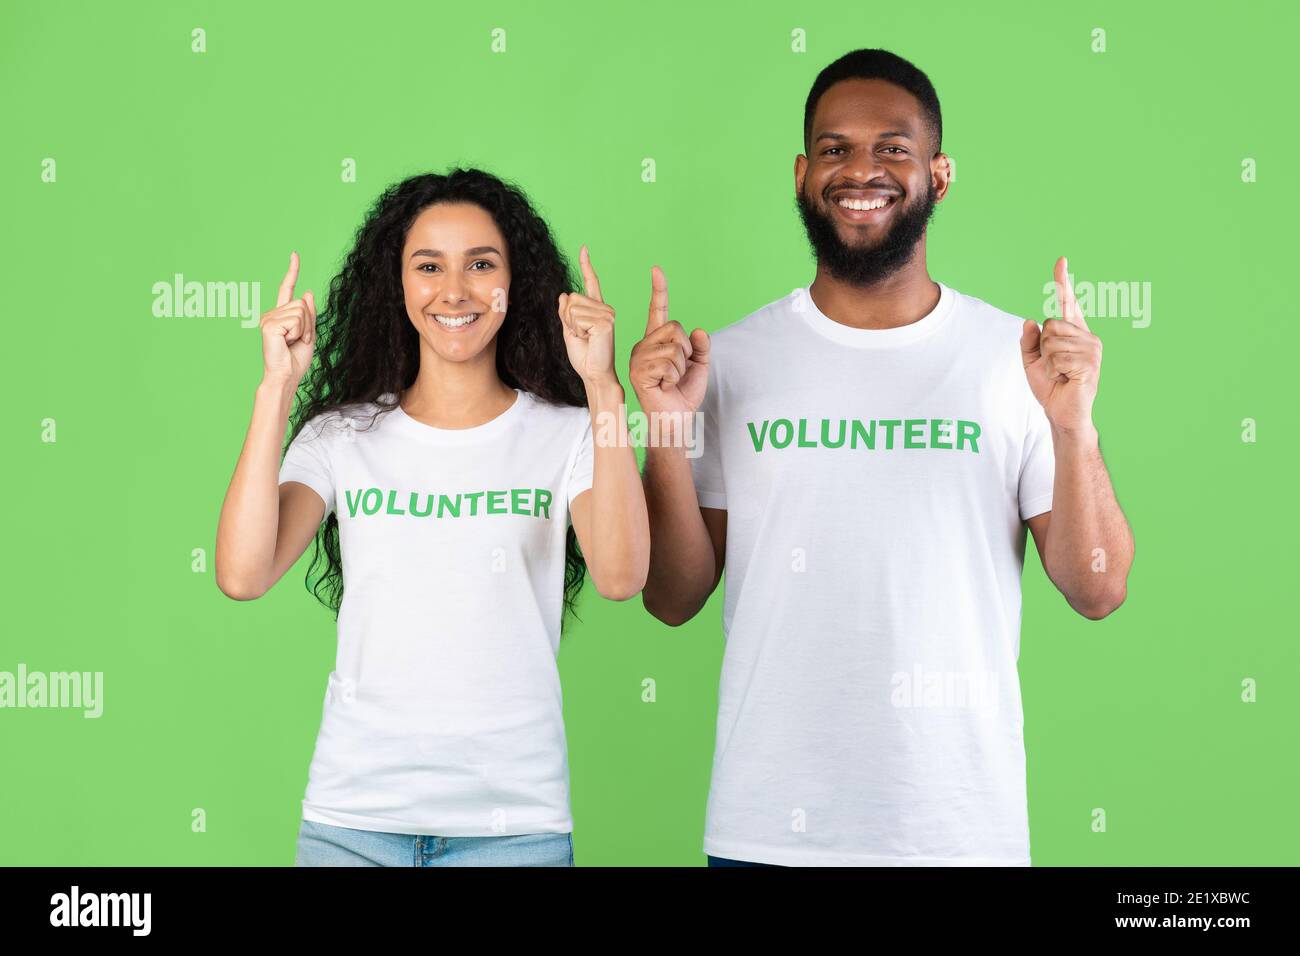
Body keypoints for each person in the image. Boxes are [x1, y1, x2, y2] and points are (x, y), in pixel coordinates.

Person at [630, 49, 1134, 866]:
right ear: (801, 173)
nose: (860, 168)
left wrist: (1075, 426)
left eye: (892, 148)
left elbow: (1099, 586)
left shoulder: (1017, 359)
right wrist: (663, 430)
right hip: (769, 832)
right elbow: (673, 598)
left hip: (959, 833)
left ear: (939, 174)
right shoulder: (729, 360)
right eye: (834, 148)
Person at [215, 168, 649, 866]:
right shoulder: (340, 437)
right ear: (399, 284)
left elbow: (623, 574)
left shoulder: (568, 434)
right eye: (429, 266)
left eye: (482, 264)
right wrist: (277, 388)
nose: (455, 291)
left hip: (515, 831)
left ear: (519, 284)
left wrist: (603, 388)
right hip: (351, 823)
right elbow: (241, 572)